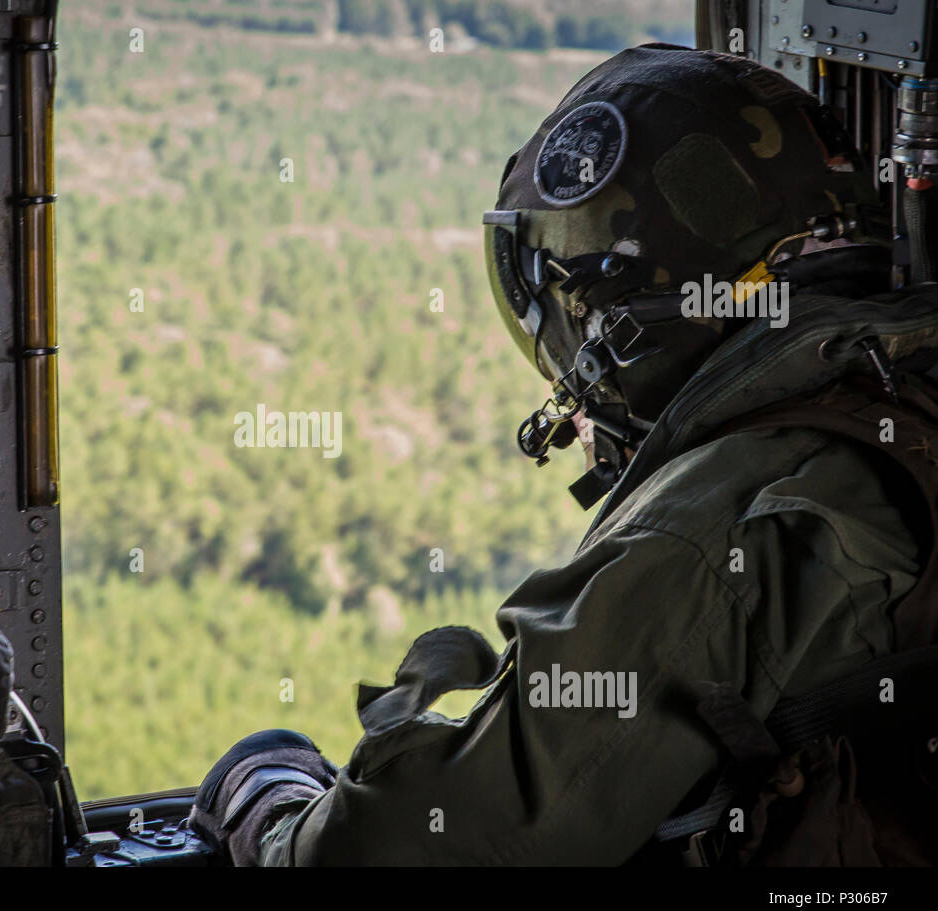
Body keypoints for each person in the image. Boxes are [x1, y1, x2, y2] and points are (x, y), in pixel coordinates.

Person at [190, 44, 938, 866]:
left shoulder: (711, 531)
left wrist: (269, 803)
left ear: (623, 320)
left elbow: (414, 851)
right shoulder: (904, 399)